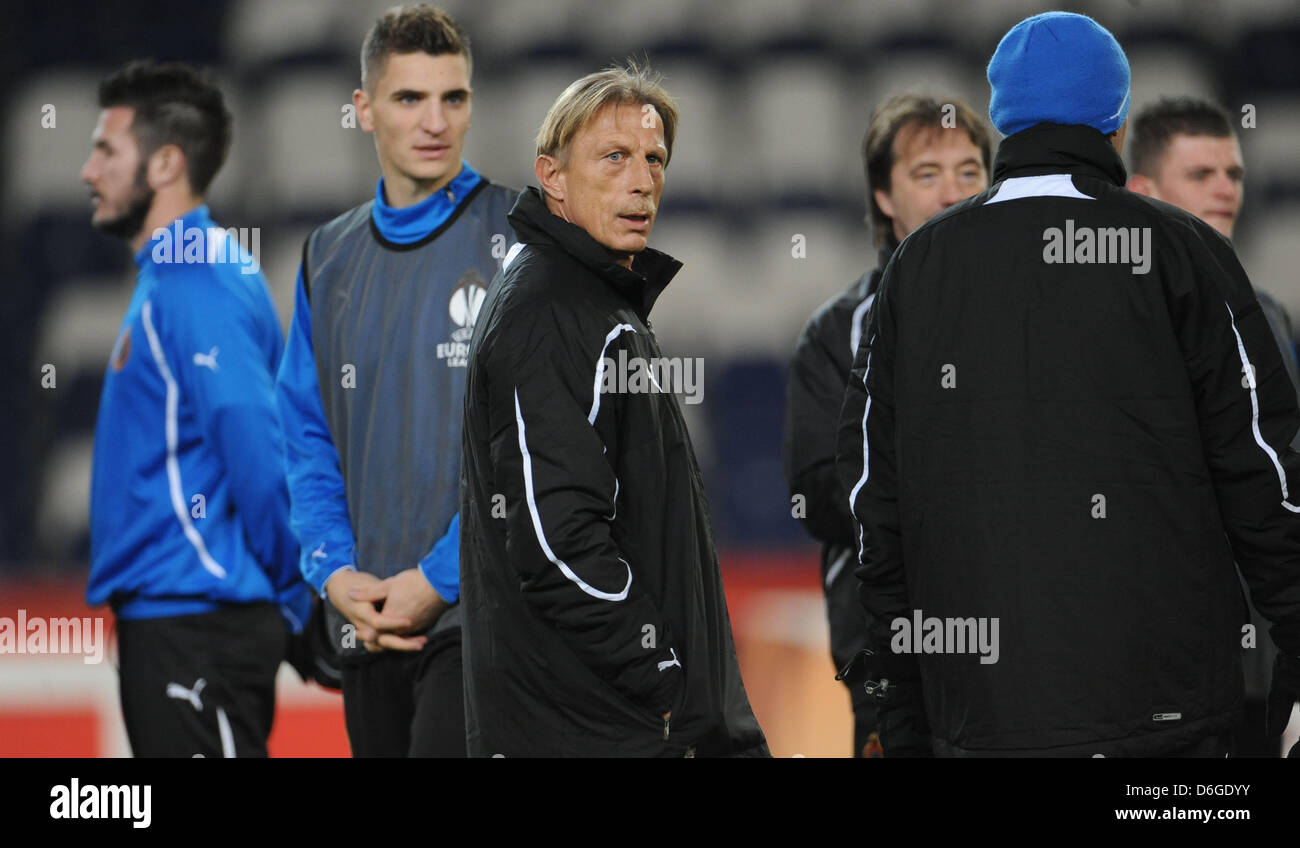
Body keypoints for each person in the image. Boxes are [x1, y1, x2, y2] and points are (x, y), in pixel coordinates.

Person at [837, 11, 1300, 757]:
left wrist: (902, 707)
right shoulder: (1183, 250)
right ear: (1116, 120)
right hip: (1169, 724)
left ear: (1000, 120)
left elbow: (872, 501)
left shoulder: (916, 269)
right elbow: (1267, 474)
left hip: (978, 724)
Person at [459, 61, 769, 757]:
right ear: (553, 176)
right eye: (615, 157)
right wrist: (658, 673)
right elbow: (554, 539)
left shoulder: (589, 301)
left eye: (655, 158)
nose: (643, 179)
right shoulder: (551, 313)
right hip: (598, 726)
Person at [274, 4, 516, 758]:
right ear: (363, 110)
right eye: (409, 98)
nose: (435, 120)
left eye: (454, 97)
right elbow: (306, 433)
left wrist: (439, 579)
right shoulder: (327, 258)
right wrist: (334, 572)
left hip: (485, 618)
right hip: (369, 621)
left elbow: (539, 440)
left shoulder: (522, 238)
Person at [82, 59, 311, 757]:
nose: (89, 171)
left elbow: (257, 455)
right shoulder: (177, 275)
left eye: (106, 149)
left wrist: (303, 605)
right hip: (177, 625)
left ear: (165, 163)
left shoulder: (195, 280)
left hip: (197, 627)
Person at [783, 92, 991, 758]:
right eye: (927, 174)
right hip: (892, 652)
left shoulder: (1038, 315)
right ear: (883, 197)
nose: (953, 192)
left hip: (1031, 642)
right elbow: (817, 495)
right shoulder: (834, 333)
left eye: (969, 171)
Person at [1128, 96, 1300, 757]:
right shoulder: (1112, 317)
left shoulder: (1267, 315)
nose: (1225, 188)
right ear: (1143, 189)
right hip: (1159, 652)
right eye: (1201, 174)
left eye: (1233, 173)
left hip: (1264, 644)